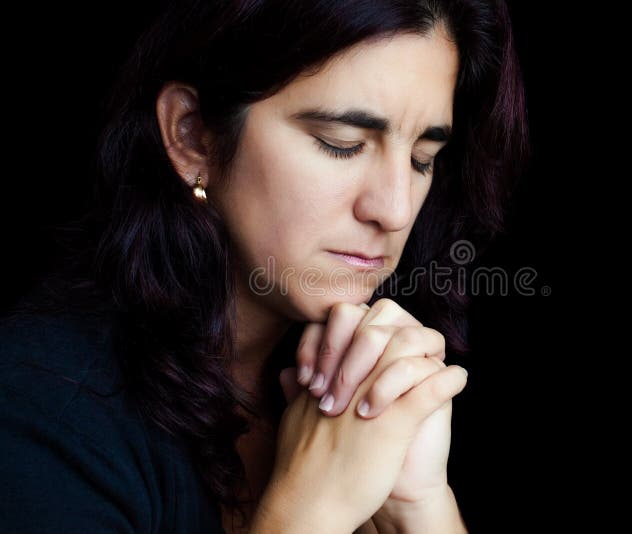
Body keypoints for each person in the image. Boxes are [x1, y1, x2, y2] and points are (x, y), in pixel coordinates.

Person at [0, 0, 529, 532]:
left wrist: (419, 509)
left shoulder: (366, 380)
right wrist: (309, 509)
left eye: (422, 159)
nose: (394, 209)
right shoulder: (40, 406)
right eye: (341, 145)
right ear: (193, 136)